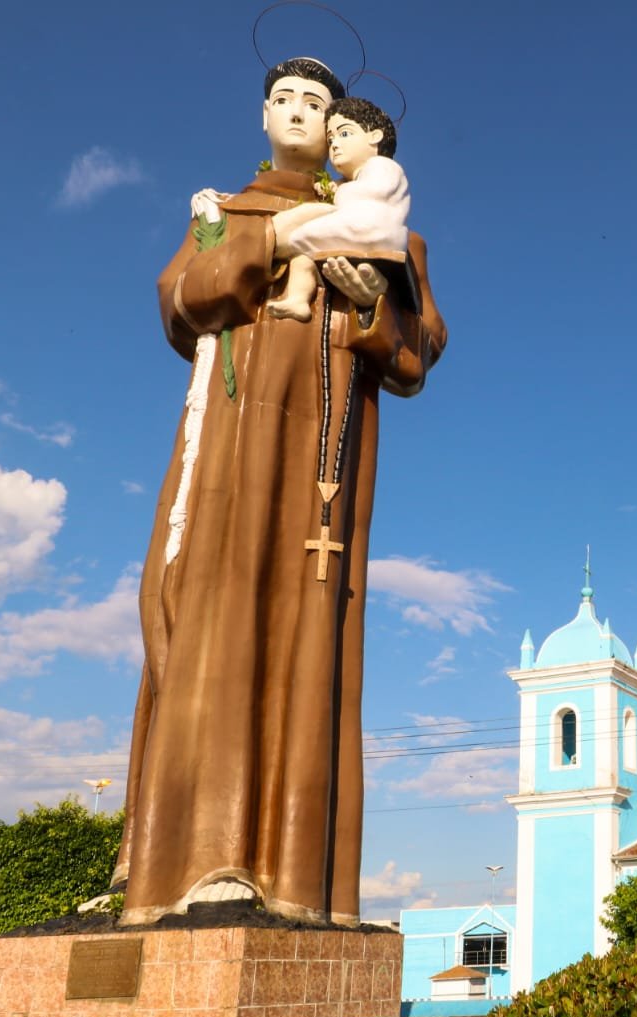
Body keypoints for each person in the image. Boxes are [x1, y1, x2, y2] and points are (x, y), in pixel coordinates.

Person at [111, 56, 447, 928]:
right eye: (287, 99)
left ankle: (286, 879)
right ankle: (168, 866)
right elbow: (183, 299)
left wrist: (376, 310)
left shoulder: (386, 227)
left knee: (305, 635)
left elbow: (418, 353)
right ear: (263, 114)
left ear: (349, 130)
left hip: (323, 465)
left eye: (320, 104)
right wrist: (276, 242)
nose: (304, 114)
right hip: (226, 451)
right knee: (203, 608)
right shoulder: (225, 211)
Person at [266, 97, 409, 323]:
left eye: (344, 134)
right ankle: (297, 299)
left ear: (375, 137)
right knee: (302, 258)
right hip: (351, 231)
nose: (334, 144)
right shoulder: (348, 183)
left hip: (369, 227)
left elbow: (374, 193)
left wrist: (378, 309)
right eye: (330, 139)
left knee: (300, 239)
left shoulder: (382, 167)